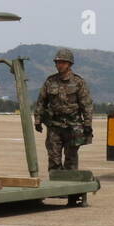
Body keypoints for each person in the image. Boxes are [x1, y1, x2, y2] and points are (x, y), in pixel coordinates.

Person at [34, 47, 93, 194]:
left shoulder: (78, 82)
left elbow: (86, 104)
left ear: (69, 64)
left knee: (71, 159)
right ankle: (56, 189)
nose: (59, 65)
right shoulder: (50, 81)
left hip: (73, 127)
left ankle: (70, 190)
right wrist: (38, 119)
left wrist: (87, 125)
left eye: (62, 62)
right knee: (54, 159)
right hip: (55, 126)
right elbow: (41, 101)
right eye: (57, 62)